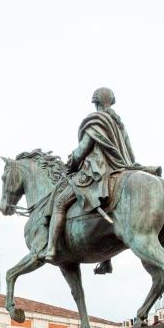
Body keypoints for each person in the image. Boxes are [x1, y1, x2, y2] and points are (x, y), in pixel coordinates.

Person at [40, 87, 136, 266]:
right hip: (120, 168)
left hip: (97, 170)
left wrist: (72, 163)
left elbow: (83, 149)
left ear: (96, 102)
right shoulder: (118, 123)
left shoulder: (96, 120)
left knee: (60, 203)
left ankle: (51, 248)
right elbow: (130, 153)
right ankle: (105, 259)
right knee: (105, 209)